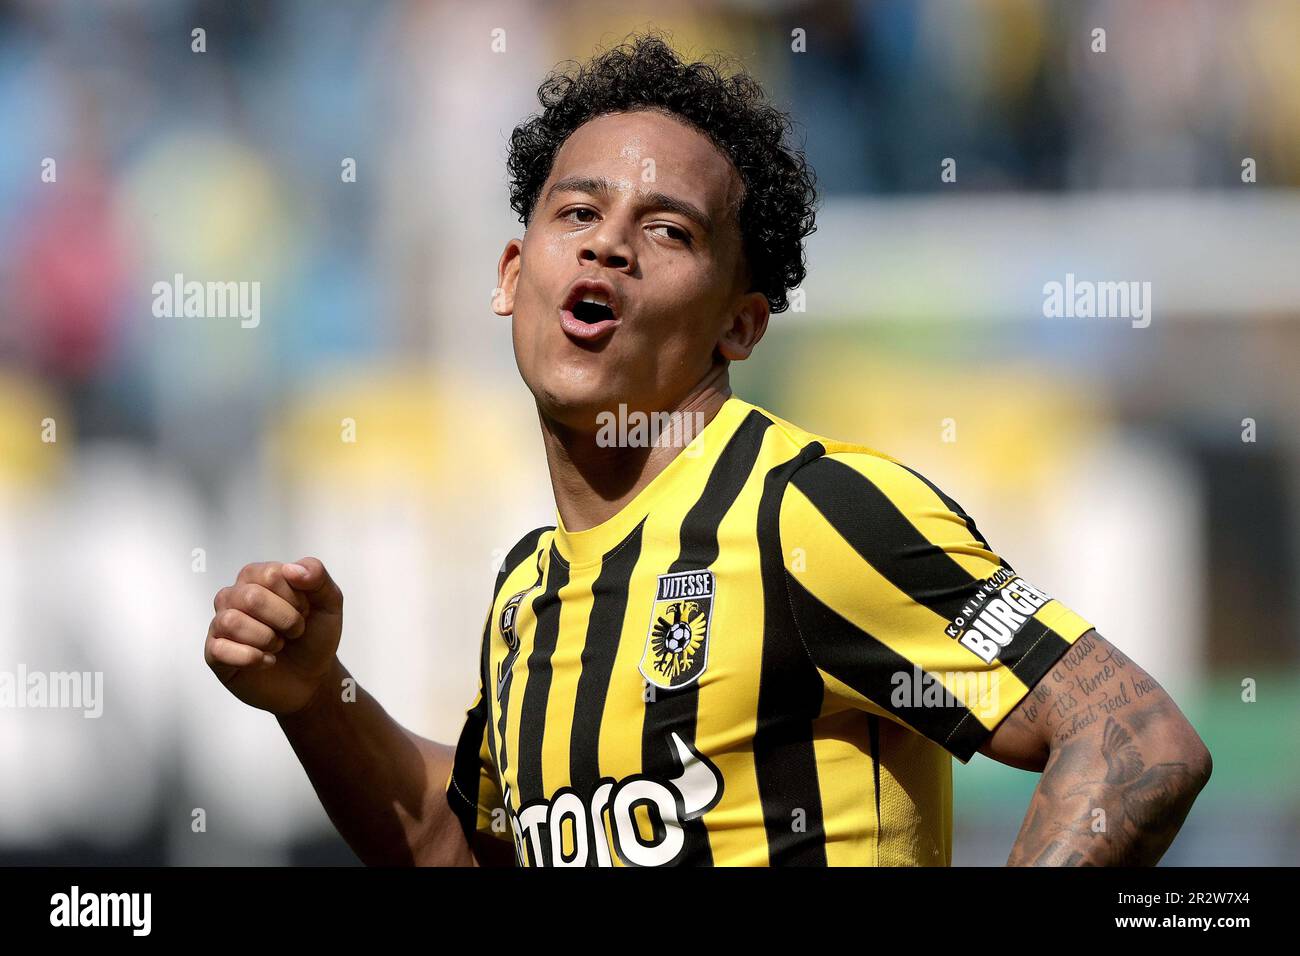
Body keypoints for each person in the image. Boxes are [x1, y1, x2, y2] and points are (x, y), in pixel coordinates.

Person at [204, 34, 1210, 867]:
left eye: (669, 230)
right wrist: (316, 693)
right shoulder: (525, 594)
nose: (607, 246)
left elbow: (1134, 741)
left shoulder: (809, 513)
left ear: (739, 325)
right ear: (514, 273)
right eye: (579, 212)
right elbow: (451, 841)